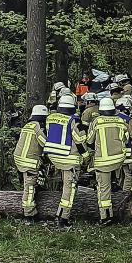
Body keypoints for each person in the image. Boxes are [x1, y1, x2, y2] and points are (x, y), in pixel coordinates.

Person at [43, 93, 88, 227]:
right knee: (70, 188)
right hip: (69, 159)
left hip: (53, 156)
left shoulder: (50, 118)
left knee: (64, 184)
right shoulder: (72, 120)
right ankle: (62, 217)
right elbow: (79, 141)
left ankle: (61, 215)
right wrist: (86, 156)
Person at [87, 97, 129, 225]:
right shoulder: (120, 120)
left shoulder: (97, 121)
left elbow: (89, 141)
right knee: (116, 182)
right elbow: (126, 139)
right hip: (119, 160)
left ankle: (106, 217)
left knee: (103, 189)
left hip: (103, 162)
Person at [14, 104, 49, 219]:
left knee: (28, 184)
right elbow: (45, 144)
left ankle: (29, 205)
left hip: (19, 159)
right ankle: (29, 214)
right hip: (29, 162)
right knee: (29, 187)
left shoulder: (27, 125)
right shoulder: (38, 128)